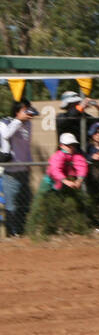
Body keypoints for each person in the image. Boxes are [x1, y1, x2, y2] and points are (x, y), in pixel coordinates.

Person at [0, 99, 36, 236]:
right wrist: (18, 120)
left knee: (25, 205)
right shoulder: (6, 123)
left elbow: (27, 147)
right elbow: (6, 135)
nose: (28, 113)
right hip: (10, 173)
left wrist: (30, 164)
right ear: (17, 112)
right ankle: (10, 235)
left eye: (28, 109)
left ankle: (21, 233)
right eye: (24, 110)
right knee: (11, 207)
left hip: (24, 171)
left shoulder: (29, 125)